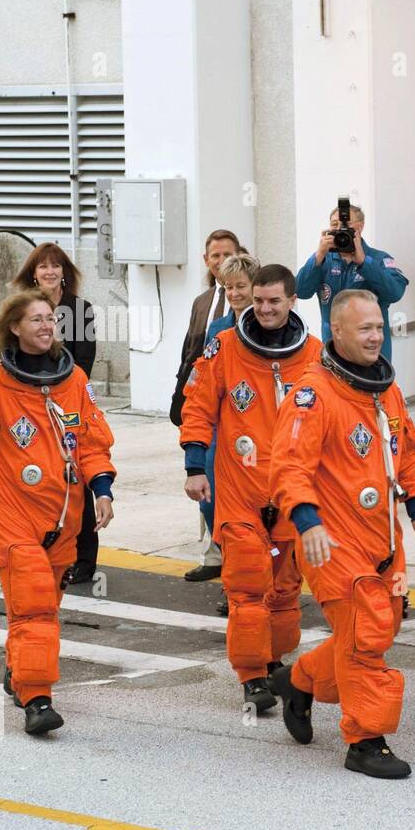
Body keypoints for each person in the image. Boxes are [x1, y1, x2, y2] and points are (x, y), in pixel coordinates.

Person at [0, 290, 116, 736]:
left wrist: (103, 490)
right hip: (13, 515)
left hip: (64, 517)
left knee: (40, 610)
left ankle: (18, 670)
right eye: (35, 319)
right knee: (34, 604)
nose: (45, 325)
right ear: (14, 327)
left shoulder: (72, 381)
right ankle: (37, 699)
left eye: (49, 318)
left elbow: (91, 441)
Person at [269, 289, 415, 779]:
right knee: (366, 631)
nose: (375, 336)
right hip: (331, 539)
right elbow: (289, 466)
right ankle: (365, 741)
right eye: (364, 329)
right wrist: (307, 522)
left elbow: (404, 453)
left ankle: (299, 682)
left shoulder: (386, 389)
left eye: (379, 328)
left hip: (382, 538)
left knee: (375, 630)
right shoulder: (312, 394)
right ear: (336, 331)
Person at [179, 264, 323, 713]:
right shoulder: (223, 349)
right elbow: (197, 408)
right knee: (246, 588)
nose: (264, 309)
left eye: (274, 301)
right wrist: (194, 466)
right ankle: (252, 676)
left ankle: (275, 661)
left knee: (283, 592)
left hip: (292, 497)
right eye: (258, 301)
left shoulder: (316, 356)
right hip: (241, 492)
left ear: (292, 301)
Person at [0, 242, 100, 584]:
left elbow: (84, 361)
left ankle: (84, 557)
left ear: (64, 272)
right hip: (24, 408)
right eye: (42, 266)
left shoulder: (79, 309)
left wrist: (68, 396)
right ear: (33, 272)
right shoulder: (23, 307)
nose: (49, 271)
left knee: (75, 477)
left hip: (68, 405)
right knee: (21, 478)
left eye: (55, 266)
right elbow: (6, 356)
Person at [192, 253, 261, 615]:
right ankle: (234, 576)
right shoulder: (219, 327)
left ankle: (243, 588)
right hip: (220, 428)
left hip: (255, 432)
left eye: (240, 287)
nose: (234, 293)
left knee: (250, 514)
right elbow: (204, 377)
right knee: (212, 504)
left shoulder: (272, 326)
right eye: (228, 287)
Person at [173, 229, 242, 583]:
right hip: (205, 405)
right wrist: (179, 398)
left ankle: (238, 562)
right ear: (206, 260)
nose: (221, 262)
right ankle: (214, 555)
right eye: (215, 256)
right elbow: (191, 353)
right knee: (207, 486)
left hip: (239, 414)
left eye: (227, 254)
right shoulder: (203, 302)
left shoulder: (252, 299)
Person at [295, 203, 407, 359]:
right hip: (333, 350)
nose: (339, 228)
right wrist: (318, 256)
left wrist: (364, 263)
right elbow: (300, 291)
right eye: (334, 224)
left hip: (372, 352)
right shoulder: (323, 260)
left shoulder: (378, 259)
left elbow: (395, 293)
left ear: (359, 228)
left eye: (345, 224)